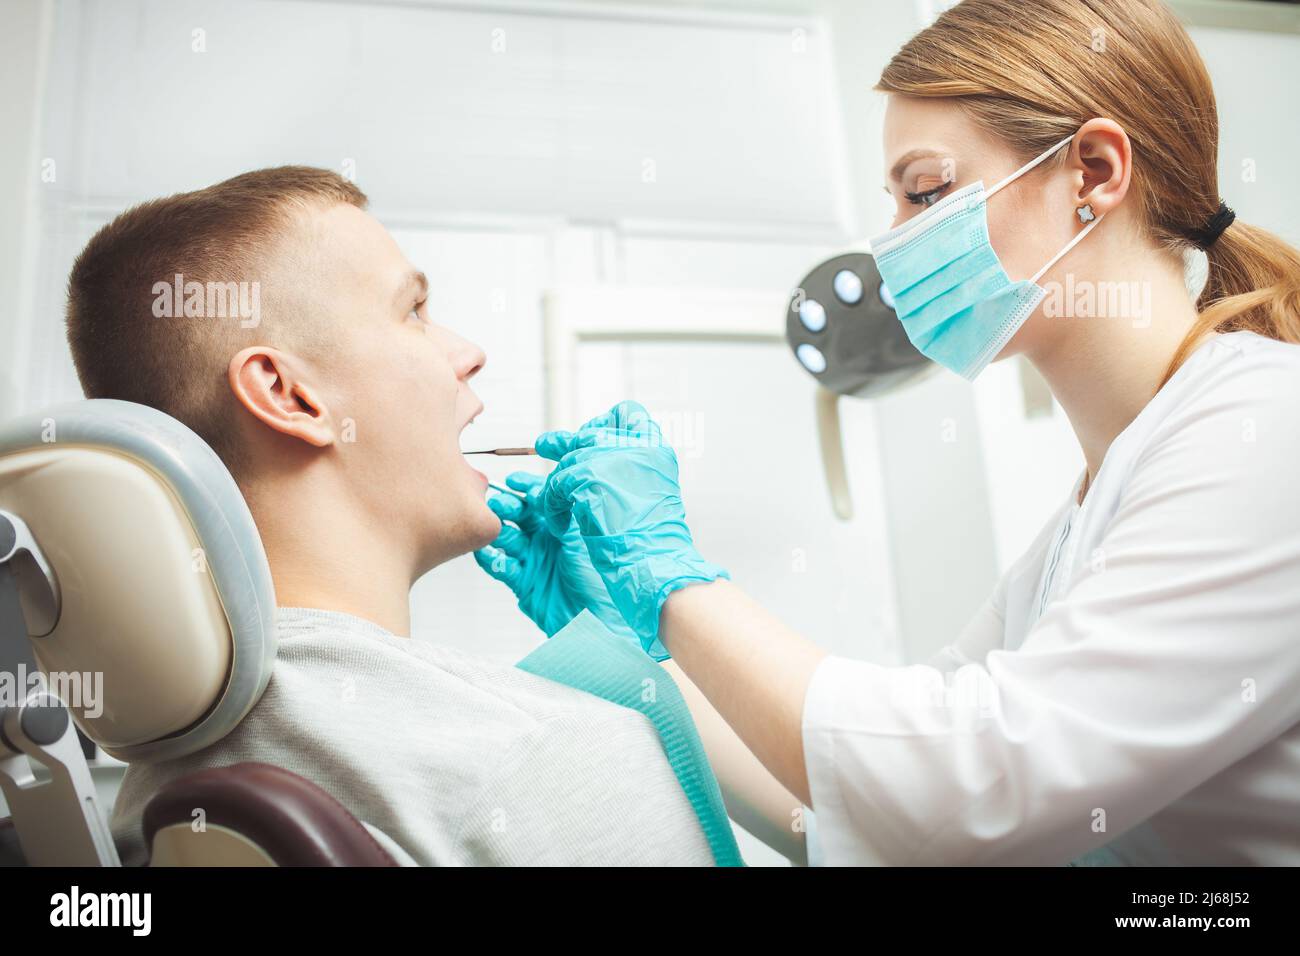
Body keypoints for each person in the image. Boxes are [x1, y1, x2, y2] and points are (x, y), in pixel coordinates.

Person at [476, 0, 1300, 865]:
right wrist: (638, 647)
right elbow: (867, 811)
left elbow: (961, 789)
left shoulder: (1265, 425)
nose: (895, 245)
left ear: (1092, 172)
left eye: (927, 193)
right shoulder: (1077, 530)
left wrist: (671, 579)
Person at [64, 166, 716, 866]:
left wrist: (634, 658)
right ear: (289, 395)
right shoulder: (547, 757)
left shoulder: (151, 784)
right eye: (413, 311)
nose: (469, 354)